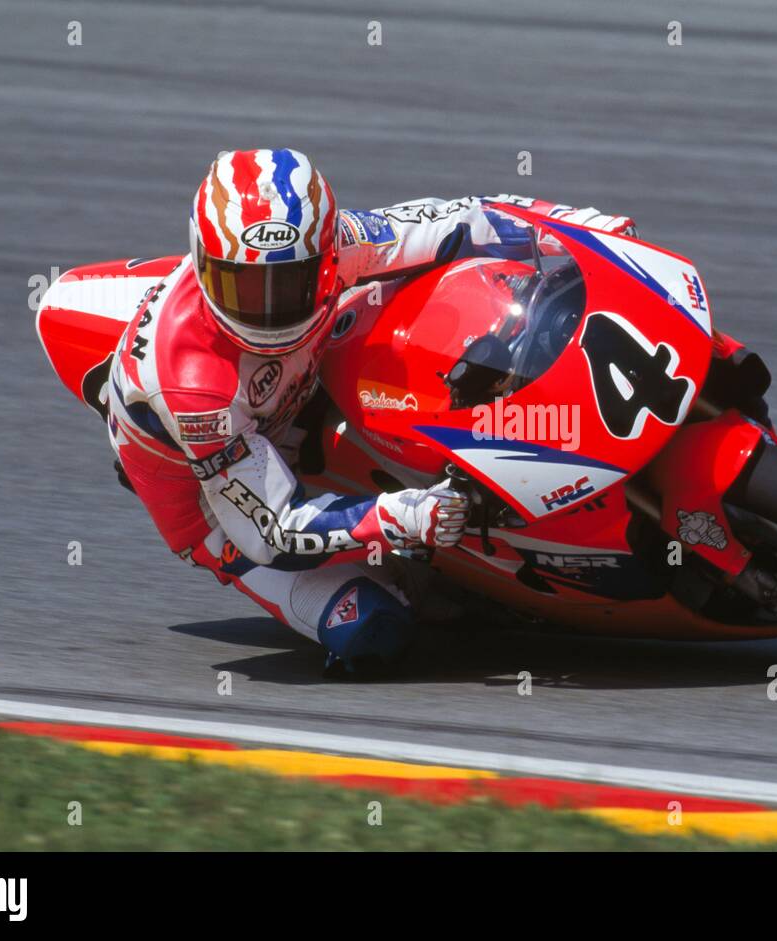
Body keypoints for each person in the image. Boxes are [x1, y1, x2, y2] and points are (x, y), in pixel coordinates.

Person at [105, 148, 639, 674]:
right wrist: (402, 515)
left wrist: (579, 231)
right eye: (244, 288)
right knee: (373, 630)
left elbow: (463, 220)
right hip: (222, 509)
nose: (269, 310)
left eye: (291, 282)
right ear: (203, 267)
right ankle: (447, 575)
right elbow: (270, 533)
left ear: (326, 255)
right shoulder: (193, 389)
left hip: (301, 394)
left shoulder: (342, 242)